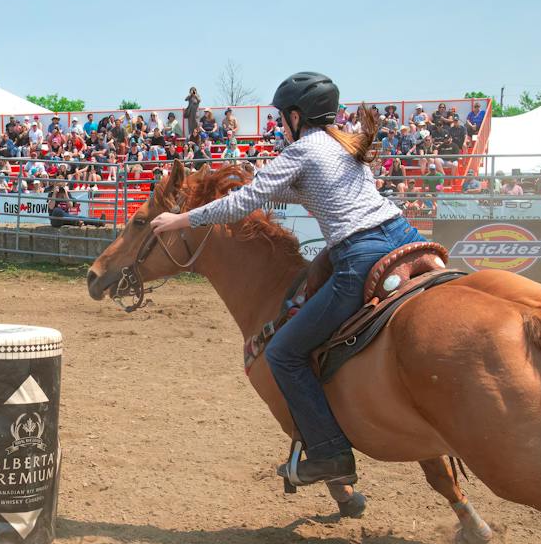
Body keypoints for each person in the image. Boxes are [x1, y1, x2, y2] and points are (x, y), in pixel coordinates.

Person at [148, 71, 422, 488]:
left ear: (297, 116)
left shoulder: (305, 150)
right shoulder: (343, 146)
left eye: (282, 118)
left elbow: (244, 205)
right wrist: (260, 182)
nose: (280, 126)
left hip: (359, 255)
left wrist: (181, 219)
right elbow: (306, 192)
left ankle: (330, 453)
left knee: (283, 354)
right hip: (405, 238)